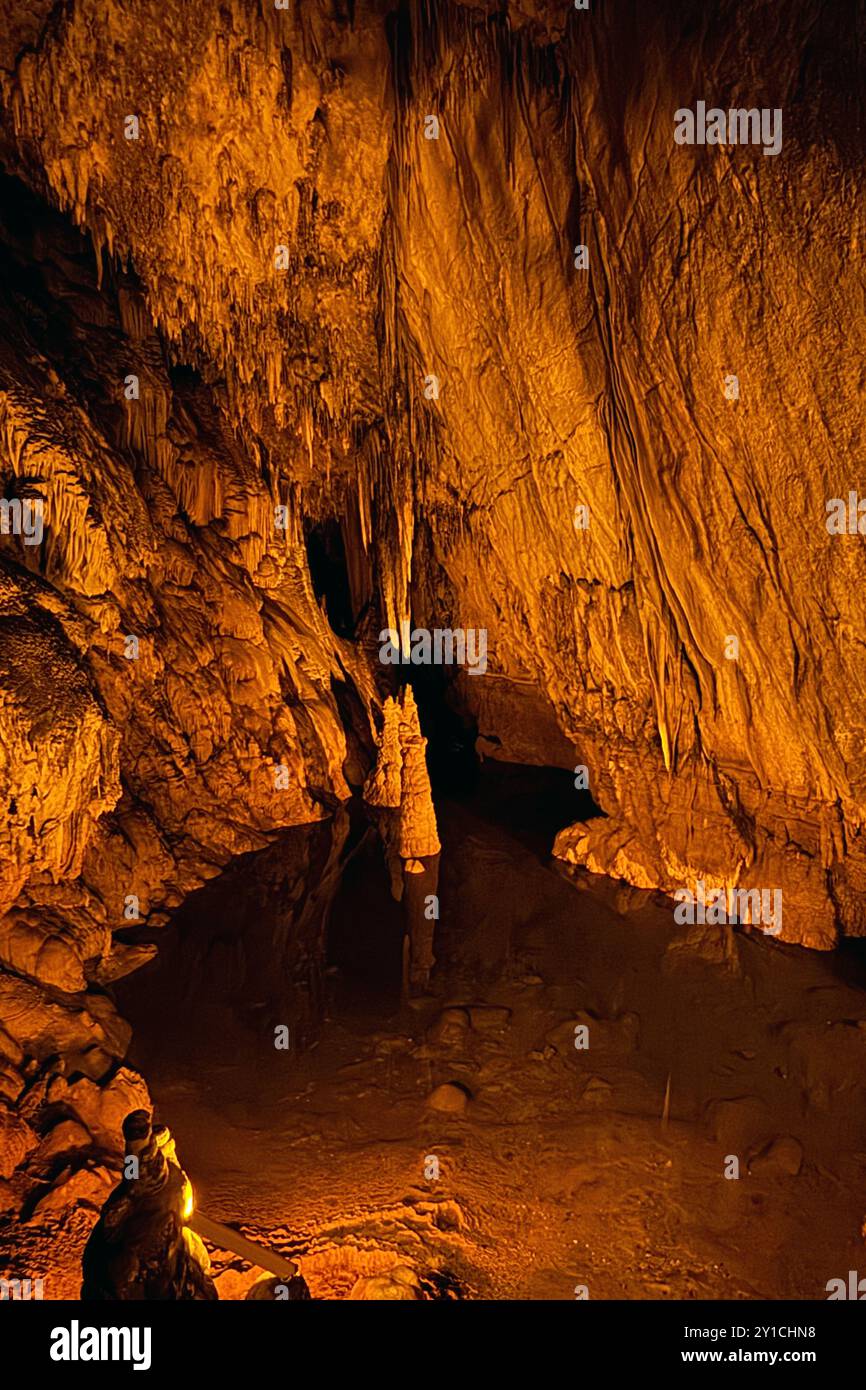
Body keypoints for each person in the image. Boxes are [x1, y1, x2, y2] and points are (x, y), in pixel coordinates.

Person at [81, 1109, 217, 1300]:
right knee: (165, 1200)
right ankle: (154, 1155)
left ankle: (143, 1156)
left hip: (119, 1266)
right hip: (168, 1261)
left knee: (134, 1193)